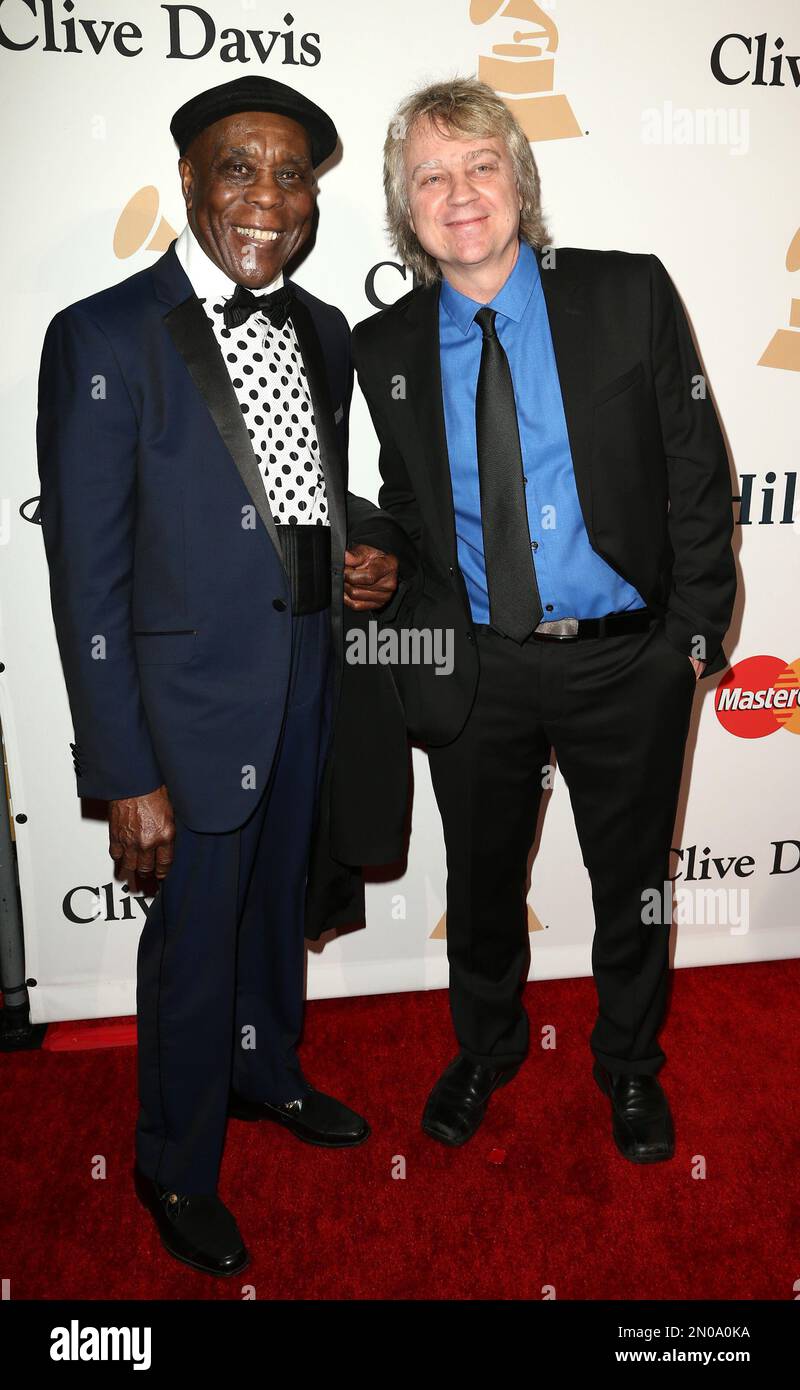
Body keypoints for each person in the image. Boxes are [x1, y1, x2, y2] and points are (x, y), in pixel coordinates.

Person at [37, 75, 413, 1277]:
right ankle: (173, 1159)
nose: (267, 195)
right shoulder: (102, 335)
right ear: (188, 178)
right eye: (239, 166)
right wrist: (122, 769)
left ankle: (266, 1074)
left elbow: (301, 491)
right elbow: (84, 578)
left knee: (275, 910)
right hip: (184, 702)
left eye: (292, 173)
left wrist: (368, 552)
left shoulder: (321, 332)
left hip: (309, 669)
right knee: (193, 942)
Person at [352, 77, 736, 1162]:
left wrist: (687, 640)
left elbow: (696, 473)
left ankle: (626, 1064)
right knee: (478, 885)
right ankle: (484, 1047)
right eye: (430, 174)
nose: (458, 191)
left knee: (634, 886)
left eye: (478, 165)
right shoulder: (385, 351)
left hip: (627, 659)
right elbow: (414, 505)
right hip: (478, 669)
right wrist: (376, 549)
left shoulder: (622, 293)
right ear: (406, 207)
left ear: (518, 178)